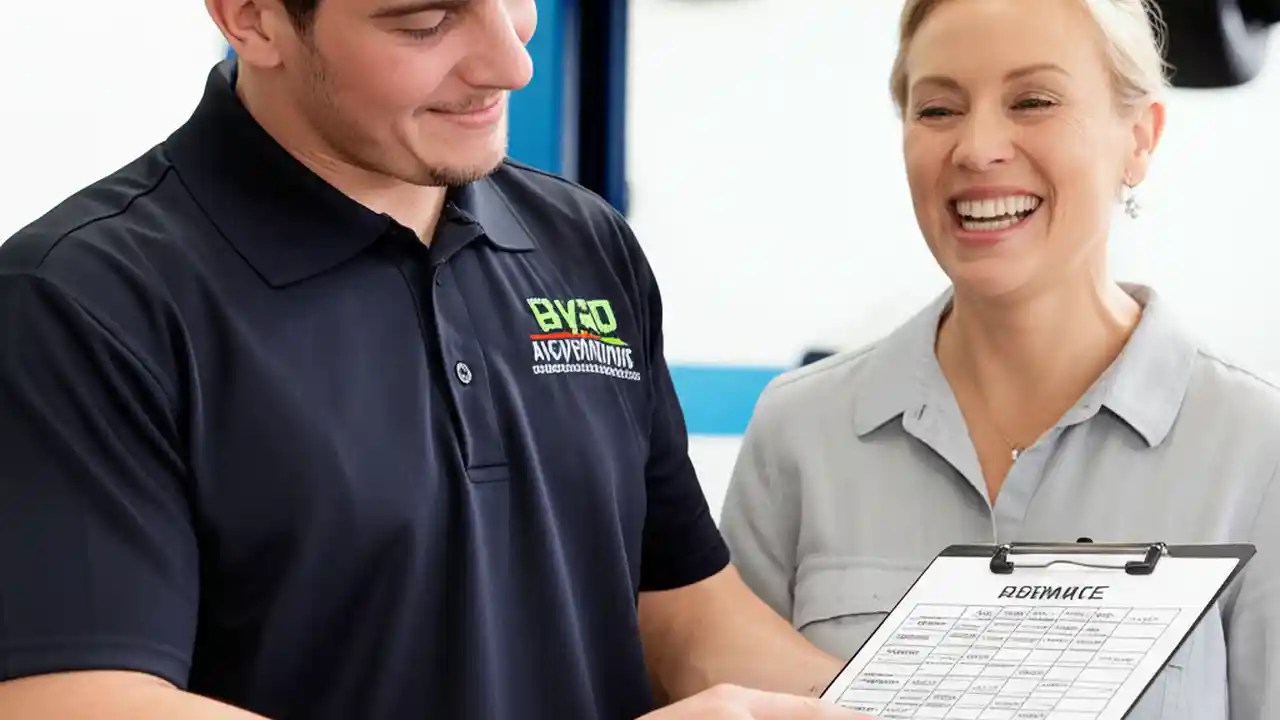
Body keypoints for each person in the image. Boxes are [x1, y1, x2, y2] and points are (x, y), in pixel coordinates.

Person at [0, 1, 872, 719]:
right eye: (426, 22)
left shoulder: (583, 244)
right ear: (252, 17)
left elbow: (683, 611)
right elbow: (77, 698)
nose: (508, 62)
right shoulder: (81, 301)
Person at [720, 0, 1279, 718]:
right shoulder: (800, 431)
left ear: (1140, 137)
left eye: (1033, 101)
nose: (977, 148)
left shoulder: (1255, 448)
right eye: (938, 110)